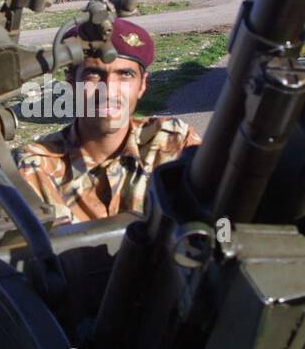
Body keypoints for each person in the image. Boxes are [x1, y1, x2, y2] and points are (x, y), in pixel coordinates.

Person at [17, 19, 201, 224]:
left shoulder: (173, 143)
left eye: (125, 75)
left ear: (142, 85)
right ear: (71, 84)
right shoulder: (36, 167)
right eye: (94, 74)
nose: (109, 90)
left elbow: (223, 220)